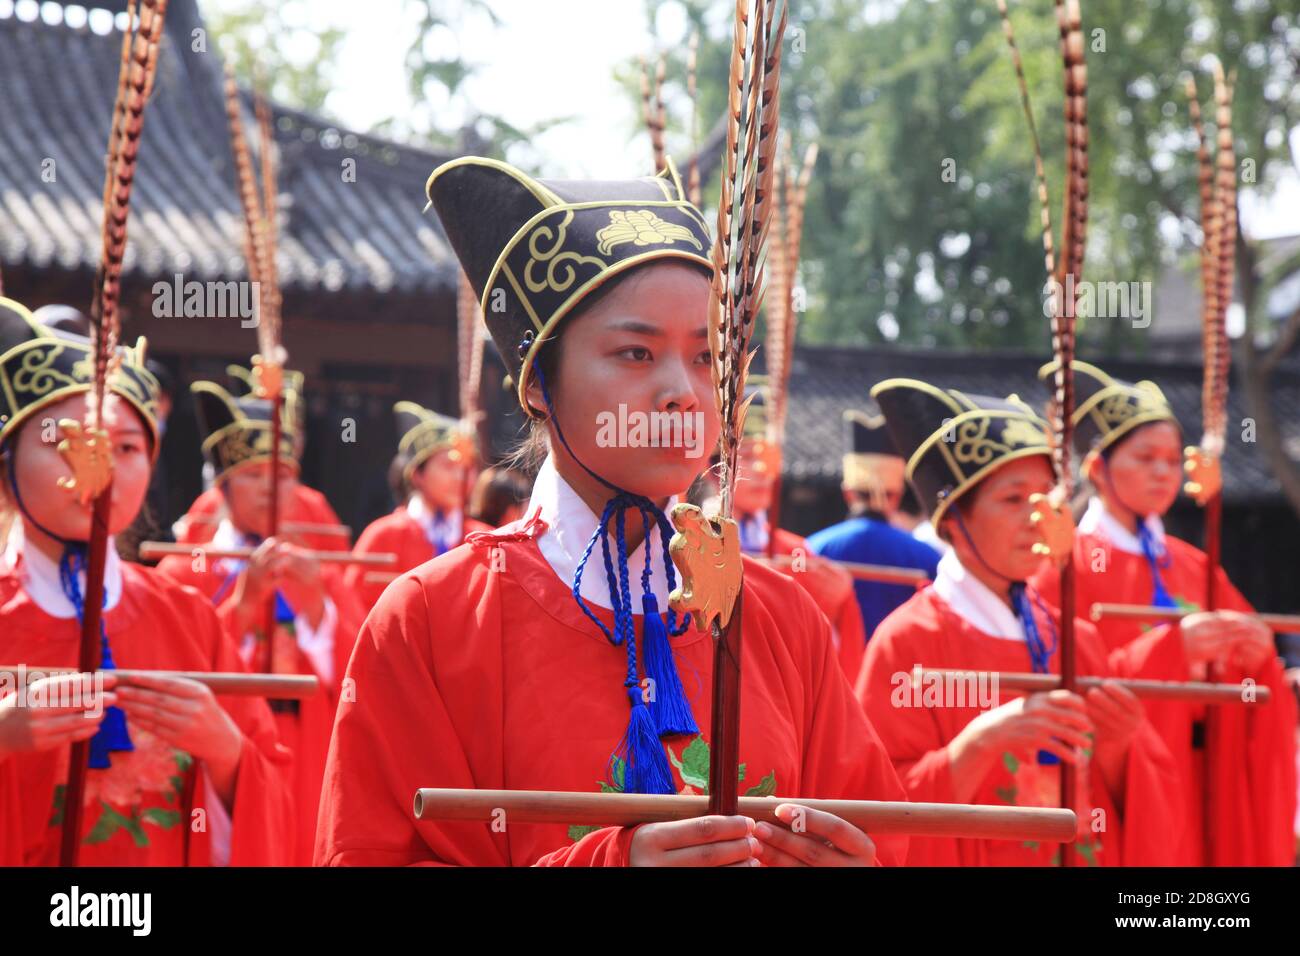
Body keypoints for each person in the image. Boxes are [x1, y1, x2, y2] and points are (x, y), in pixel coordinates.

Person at [316, 156, 909, 867]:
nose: (683, 394)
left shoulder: (784, 617)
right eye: (635, 352)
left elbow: (883, 832)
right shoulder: (430, 621)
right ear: (538, 381)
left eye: (707, 357)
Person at [0, 296, 291, 865]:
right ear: (6, 466)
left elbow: (274, 786)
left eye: (126, 446)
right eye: (64, 443)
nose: (99, 468)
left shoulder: (187, 616)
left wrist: (225, 750)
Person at [856, 377, 1182, 865]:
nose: (1038, 516)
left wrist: (1119, 745)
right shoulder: (907, 642)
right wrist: (983, 742)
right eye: (1013, 500)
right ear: (952, 522)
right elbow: (874, 810)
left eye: (1046, 498)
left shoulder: (1076, 639)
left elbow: (1137, 805)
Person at [1029, 360, 1297, 865]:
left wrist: (1259, 655)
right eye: (1145, 457)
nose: (1163, 471)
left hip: (1210, 775)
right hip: (1131, 788)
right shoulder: (1066, 568)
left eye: (1173, 460)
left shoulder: (1195, 563)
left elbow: (1256, 676)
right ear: (1096, 468)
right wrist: (1172, 650)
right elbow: (1067, 681)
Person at [155, 379, 364, 865]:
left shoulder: (322, 573)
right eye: (254, 476)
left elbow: (362, 681)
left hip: (309, 748)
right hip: (227, 756)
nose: (273, 487)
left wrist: (318, 610)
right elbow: (176, 677)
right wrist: (241, 610)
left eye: (286, 475)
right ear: (222, 486)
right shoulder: (184, 572)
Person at [725, 378, 866, 680]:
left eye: (769, 459)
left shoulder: (797, 552)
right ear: (717, 465)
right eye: (749, 457)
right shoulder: (680, 543)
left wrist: (833, 604)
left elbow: (833, 662)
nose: (764, 472)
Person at [173, 365, 348, 553]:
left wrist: (312, 579)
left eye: (281, 476)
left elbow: (340, 571)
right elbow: (187, 562)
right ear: (225, 484)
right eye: (253, 474)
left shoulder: (314, 506)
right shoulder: (208, 505)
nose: (268, 487)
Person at [807, 408, 940, 641]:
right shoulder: (927, 556)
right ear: (898, 496)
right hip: (903, 672)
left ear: (848, 494)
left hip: (833, 671)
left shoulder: (812, 550)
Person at [344, 402, 491, 611]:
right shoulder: (383, 535)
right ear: (417, 474)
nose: (461, 477)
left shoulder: (485, 539)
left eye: (468, 468)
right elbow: (352, 610)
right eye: (448, 466)